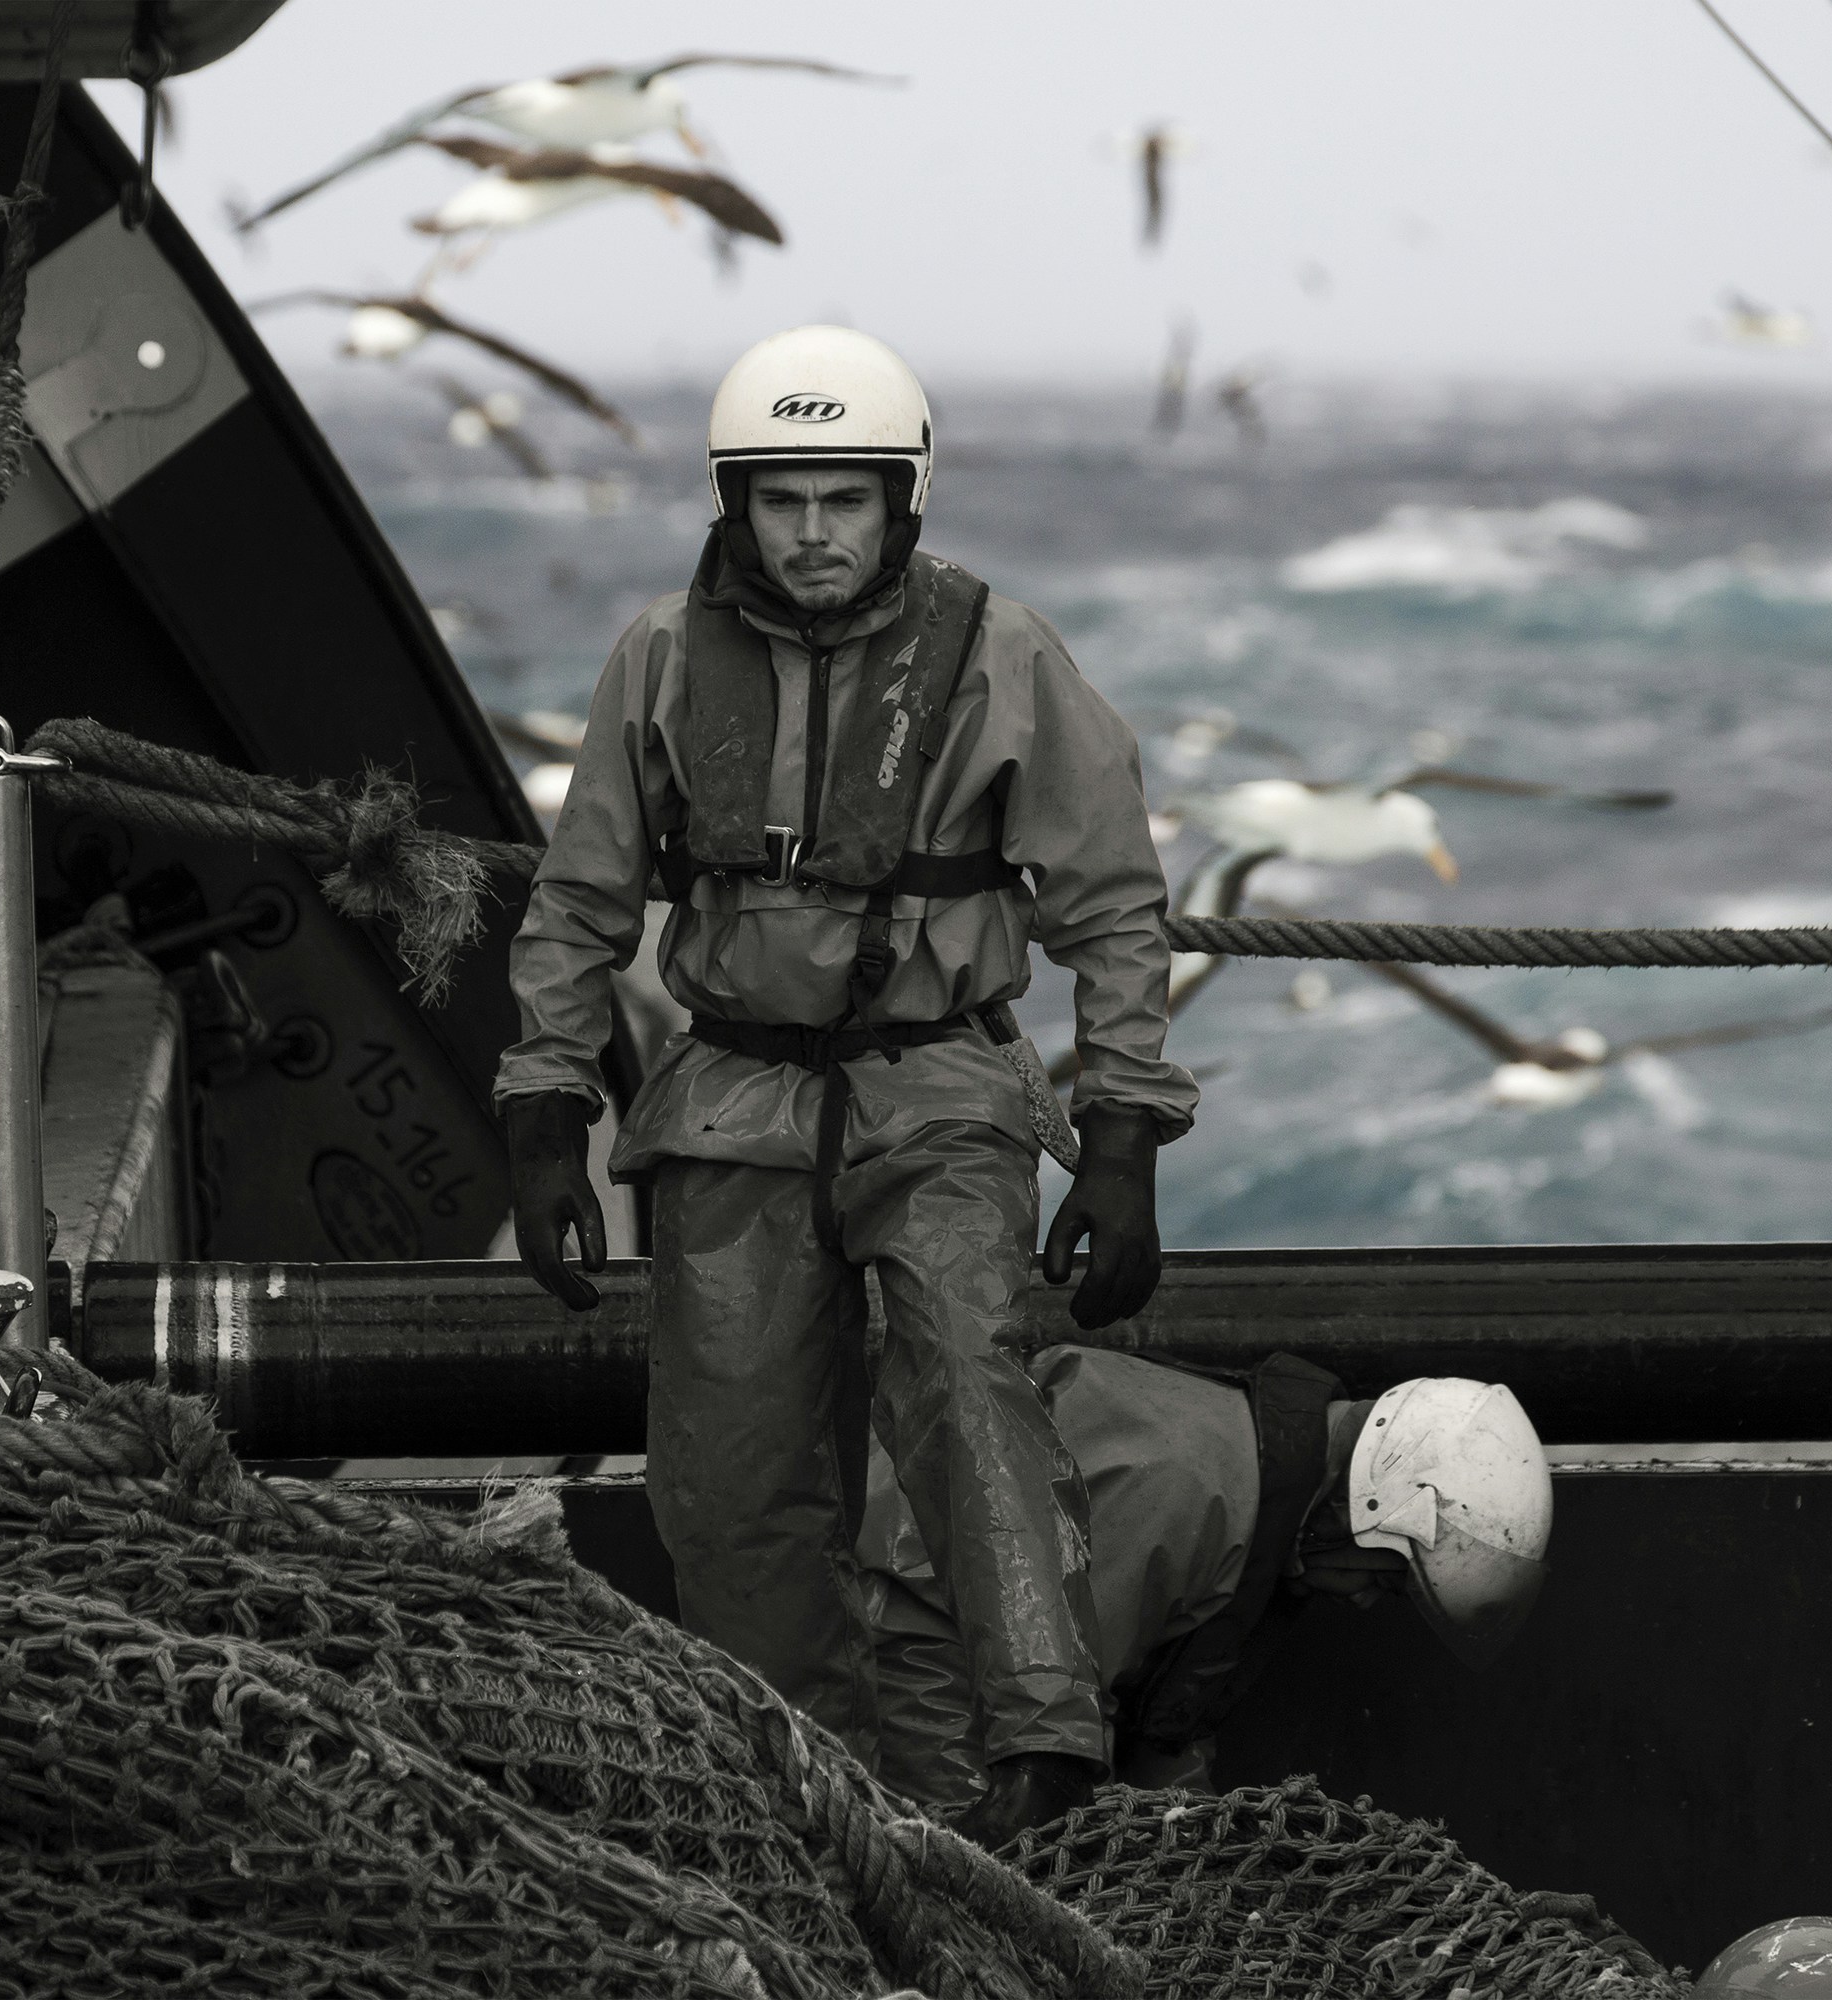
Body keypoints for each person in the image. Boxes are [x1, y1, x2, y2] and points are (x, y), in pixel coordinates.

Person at [497, 325, 1201, 1847]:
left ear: (904, 500)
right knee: (734, 1485)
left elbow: (1111, 903)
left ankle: (1043, 1750)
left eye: (845, 499)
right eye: (782, 499)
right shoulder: (659, 660)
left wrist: (1126, 1135)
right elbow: (581, 901)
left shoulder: (1005, 656)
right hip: (732, 1100)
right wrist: (545, 1108)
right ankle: (798, 1806)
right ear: (733, 505)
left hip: (939, 1086)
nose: (814, 532)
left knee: (969, 1378)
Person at [861, 1352, 1553, 1807]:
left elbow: (1166, 1729)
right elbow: (1047, 1701)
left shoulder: (1261, 1513)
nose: (1367, 1599)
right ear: (1364, 1507)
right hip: (915, 1636)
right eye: (1387, 1580)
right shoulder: (1185, 1488)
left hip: (966, 1656)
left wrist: (1193, 1844)